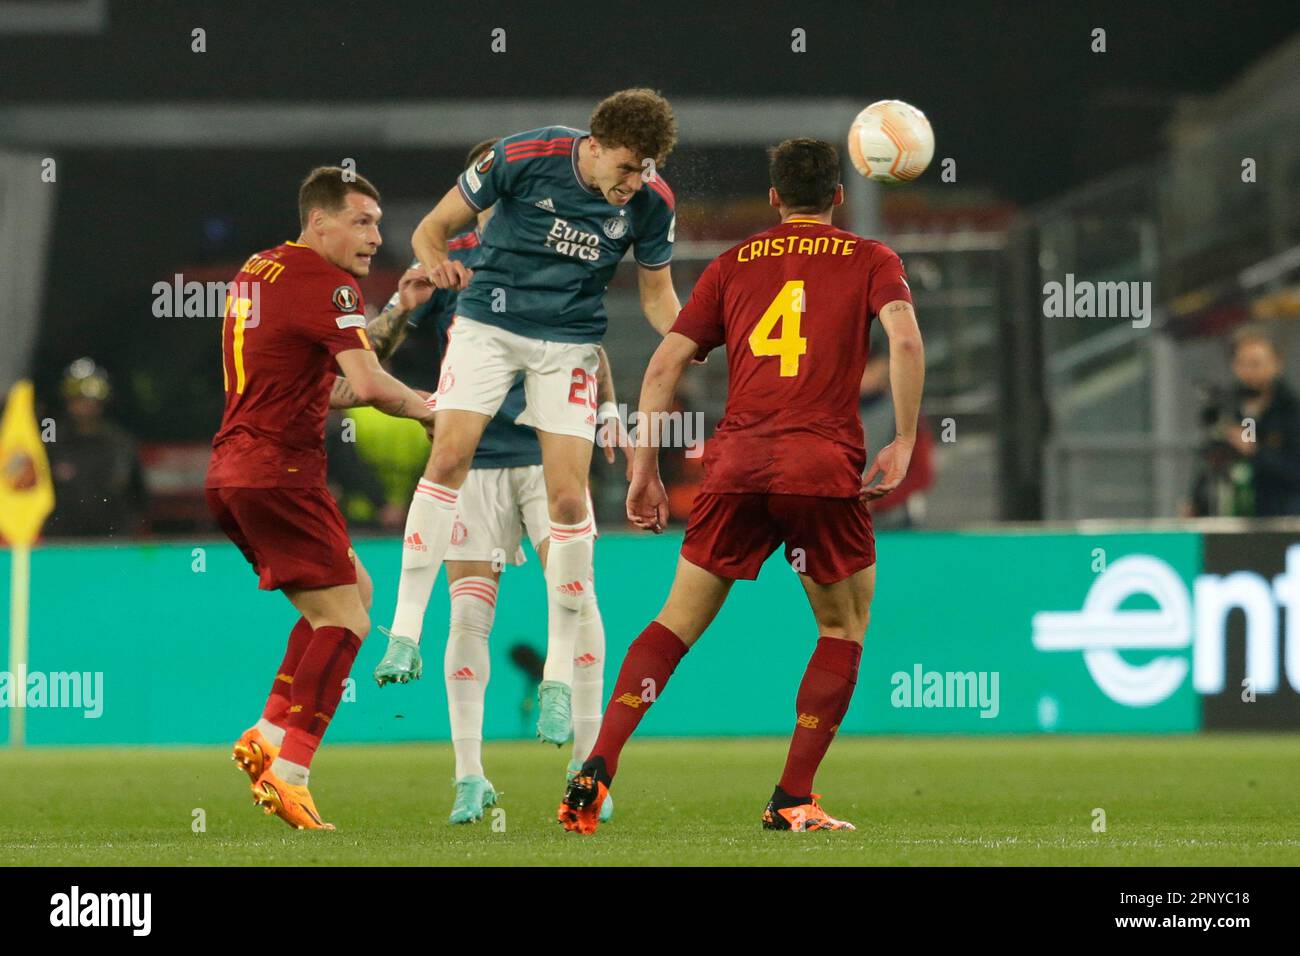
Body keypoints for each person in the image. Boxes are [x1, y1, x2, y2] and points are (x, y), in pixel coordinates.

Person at [558, 138, 926, 834]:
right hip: (818, 468)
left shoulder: (733, 265)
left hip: (737, 466)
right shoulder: (872, 259)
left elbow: (666, 363)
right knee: (841, 625)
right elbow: (904, 343)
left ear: (774, 199)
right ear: (839, 199)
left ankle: (596, 765)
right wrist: (903, 440)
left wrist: (644, 469)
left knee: (674, 624)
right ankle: (791, 797)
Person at [331, 141, 625, 824]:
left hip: (547, 463)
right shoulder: (449, 263)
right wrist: (404, 306)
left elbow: (589, 339)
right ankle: (470, 777)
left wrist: (607, 407)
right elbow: (366, 363)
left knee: (578, 602)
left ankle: (588, 773)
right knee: (469, 613)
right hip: (473, 468)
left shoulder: (558, 248)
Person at [386, 89, 681, 746]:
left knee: (570, 498)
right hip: (489, 325)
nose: (636, 183)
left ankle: (556, 682)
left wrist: (695, 338)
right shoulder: (525, 154)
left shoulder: (651, 204)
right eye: (628, 168)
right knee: (447, 456)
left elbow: (659, 298)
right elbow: (430, 227)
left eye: (648, 170)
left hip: (568, 342)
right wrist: (434, 259)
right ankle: (403, 633)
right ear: (595, 145)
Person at [207, 167, 437, 831]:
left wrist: (397, 310)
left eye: (378, 222)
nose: (376, 236)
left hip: (234, 473)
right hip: (280, 473)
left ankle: (265, 733)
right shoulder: (325, 280)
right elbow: (366, 385)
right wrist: (434, 415)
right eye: (362, 221)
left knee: (351, 594)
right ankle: (292, 771)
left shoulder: (262, 270)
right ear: (320, 221)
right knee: (347, 623)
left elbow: (326, 386)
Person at [1192, 325, 1300, 517]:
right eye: (1241, 363)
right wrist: (1195, 501)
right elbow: (1209, 460)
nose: (1248, 372)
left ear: (1277, 363)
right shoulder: (1228, 408)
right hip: (1232, 516)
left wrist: (1254, 450)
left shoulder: (1291, 410)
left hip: (1283, 517)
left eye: (1256, 363)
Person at [45, 358, 148, 538]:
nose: (84, 405)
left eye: (90, 398)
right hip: (60, 545)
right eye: (78, 398)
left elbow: (138, 497)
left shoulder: (121, 443)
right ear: (67, 399)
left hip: (112, 543)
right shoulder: (52, 442)